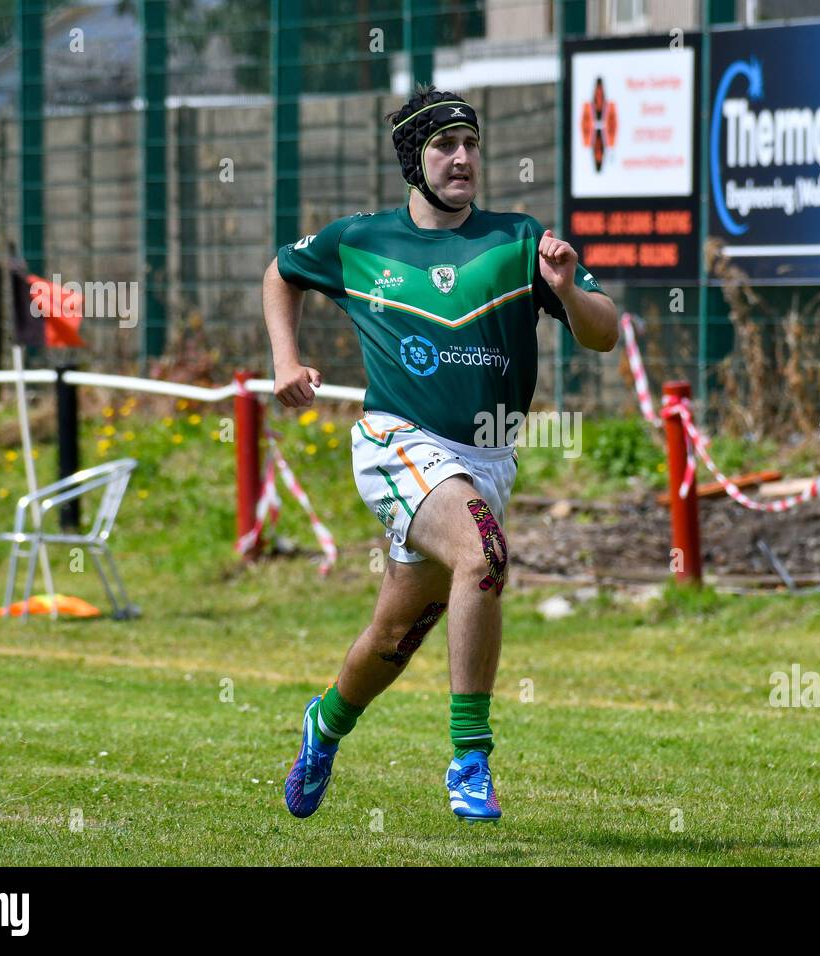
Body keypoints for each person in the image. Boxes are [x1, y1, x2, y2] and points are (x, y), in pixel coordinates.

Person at [261, 84, 618, 823]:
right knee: (484, 555)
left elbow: (605, 332)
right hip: (394, 444)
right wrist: (284, 362)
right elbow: (281, 272)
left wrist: (565, 288)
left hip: (484, 460)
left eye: (471, 145)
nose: (462, 159)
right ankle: (470, 759)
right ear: (412, 159)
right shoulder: (360, 241)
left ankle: (324, 725)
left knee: (394, 634)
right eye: (443, 146)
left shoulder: (520, 240)